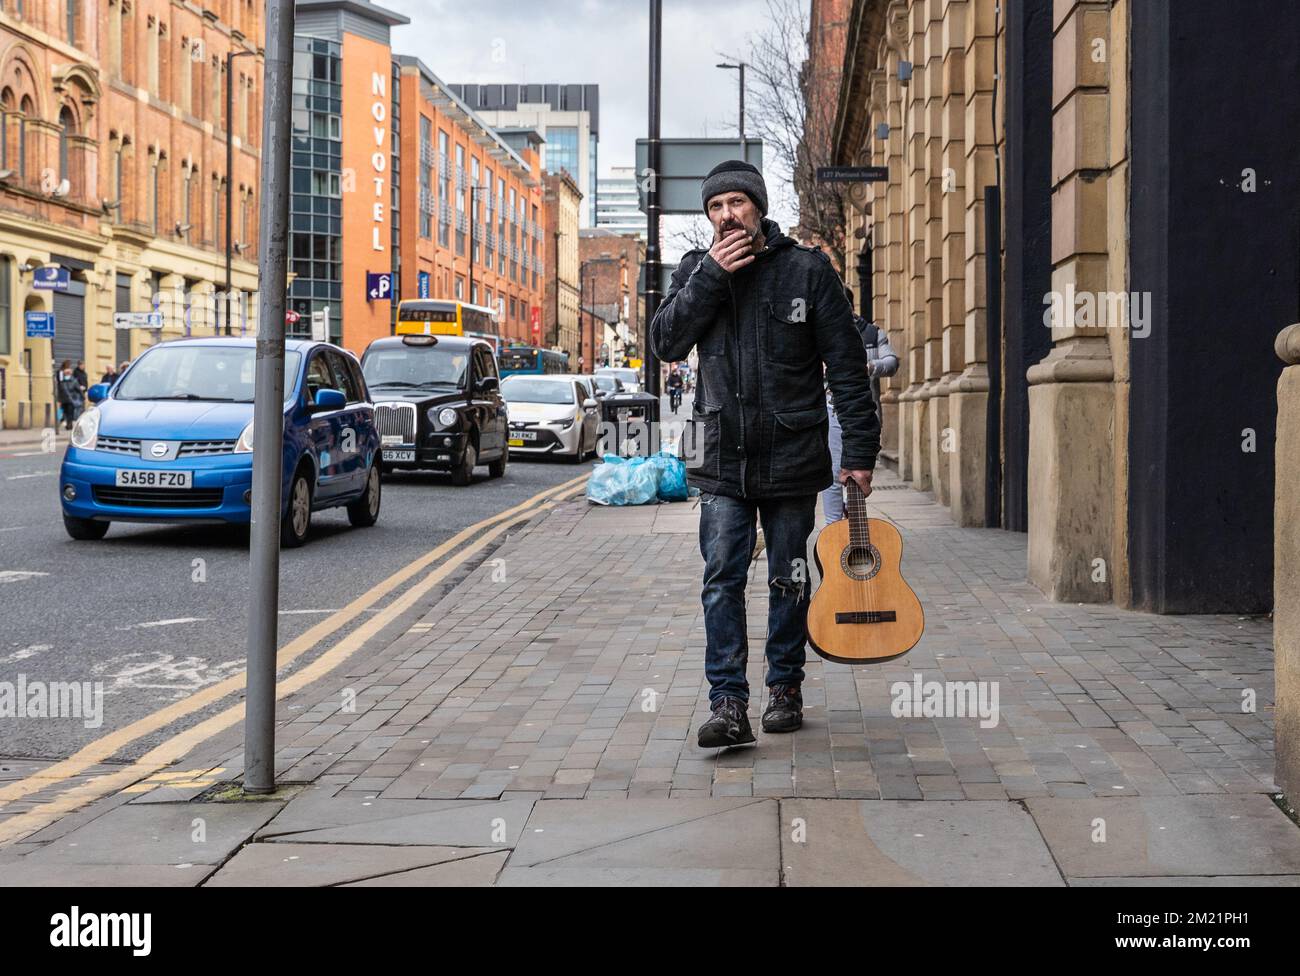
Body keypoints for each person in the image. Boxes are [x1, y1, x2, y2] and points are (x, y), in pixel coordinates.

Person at [651, 159, 879, 748]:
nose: (727, 215)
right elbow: (667, 341)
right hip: (720, 459)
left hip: (793, 453)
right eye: (715, 207)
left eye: (736, 203)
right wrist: (709, 279)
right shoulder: (695, 273)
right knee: (721, 578)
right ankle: (727, 702)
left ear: (758, 206)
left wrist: (859, 451)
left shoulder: (807, 272)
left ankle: (785, 686)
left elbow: (849, 368)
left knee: (788, 576)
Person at [822, 286, 899, 525]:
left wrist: (865, 366)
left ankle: (853, 521)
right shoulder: (822, 333)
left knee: (859, 472)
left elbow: (892, 363)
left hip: (865, 412)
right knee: (835, 473)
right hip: (832, 409)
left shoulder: (872, 333)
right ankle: (833, 527)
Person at [56, 361, 83, 430]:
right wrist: (82, 396)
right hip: (70, 399)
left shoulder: (62, 381)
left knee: (66, 412)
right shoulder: (73, 380)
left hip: (64, 399)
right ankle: (69, 424)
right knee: (69, 412)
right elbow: (78, 389)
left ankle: (68, 424)